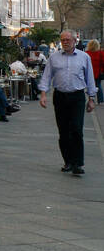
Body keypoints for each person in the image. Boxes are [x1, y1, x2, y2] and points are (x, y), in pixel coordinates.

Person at [38, 31, 97, 176]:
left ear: (75, 40)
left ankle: (78, 163)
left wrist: (91, 98)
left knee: (76, 129)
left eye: (68, 40)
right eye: (63, 40)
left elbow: (90, 78)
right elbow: (46, 77)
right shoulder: (54, 57)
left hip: (77, 97)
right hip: (60, 97)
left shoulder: (84, 57)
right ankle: (68, 161)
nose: (65, 42)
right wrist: (43, 94)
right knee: (63, 131)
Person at [85, 38, 104, 105]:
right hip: (98, 73)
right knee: (98, 86)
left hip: (88, 73)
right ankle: (100, 100)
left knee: (88, 87)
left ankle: (90, 99)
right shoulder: (101, 53)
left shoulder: (86, 53)